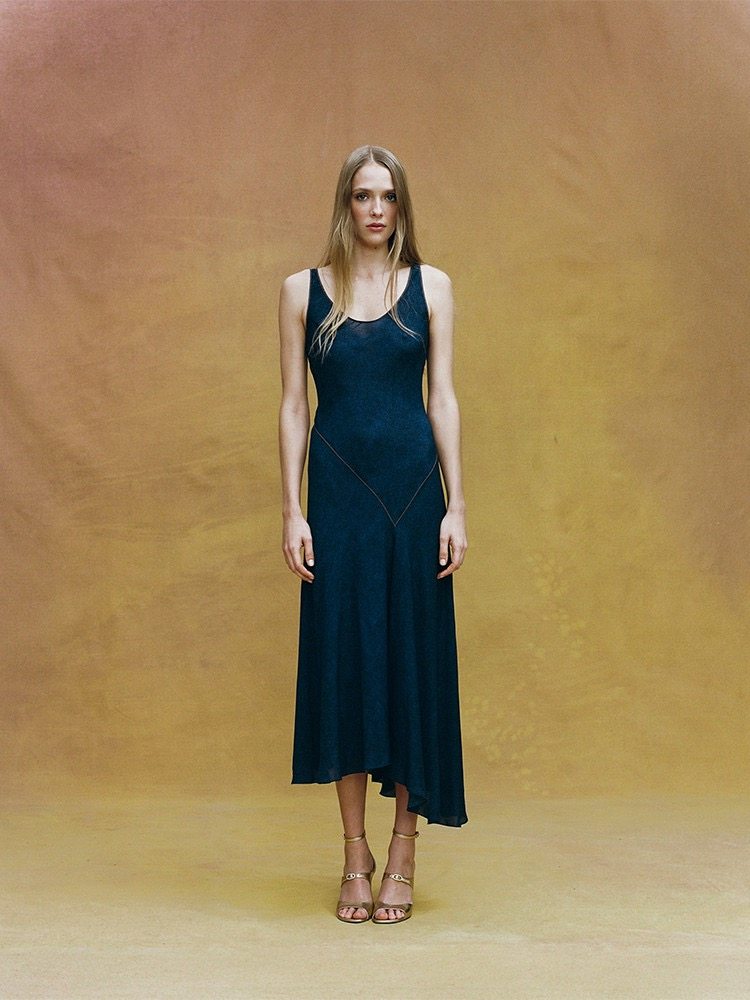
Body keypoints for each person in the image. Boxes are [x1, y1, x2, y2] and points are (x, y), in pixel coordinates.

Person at [277, 145, 468, 925]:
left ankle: (403, 851)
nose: (377, 209)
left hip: (414, 498)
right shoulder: (301, 291)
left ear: (402, 206)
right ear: (345, 205)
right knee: (347, 669)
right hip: (337, 501)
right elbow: (294, 405)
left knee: (411, 665)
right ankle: (354, 853)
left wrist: (458, 506)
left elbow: (442, 398)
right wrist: (292, 509)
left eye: (388, 196)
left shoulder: (432, 287)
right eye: (363, 196)